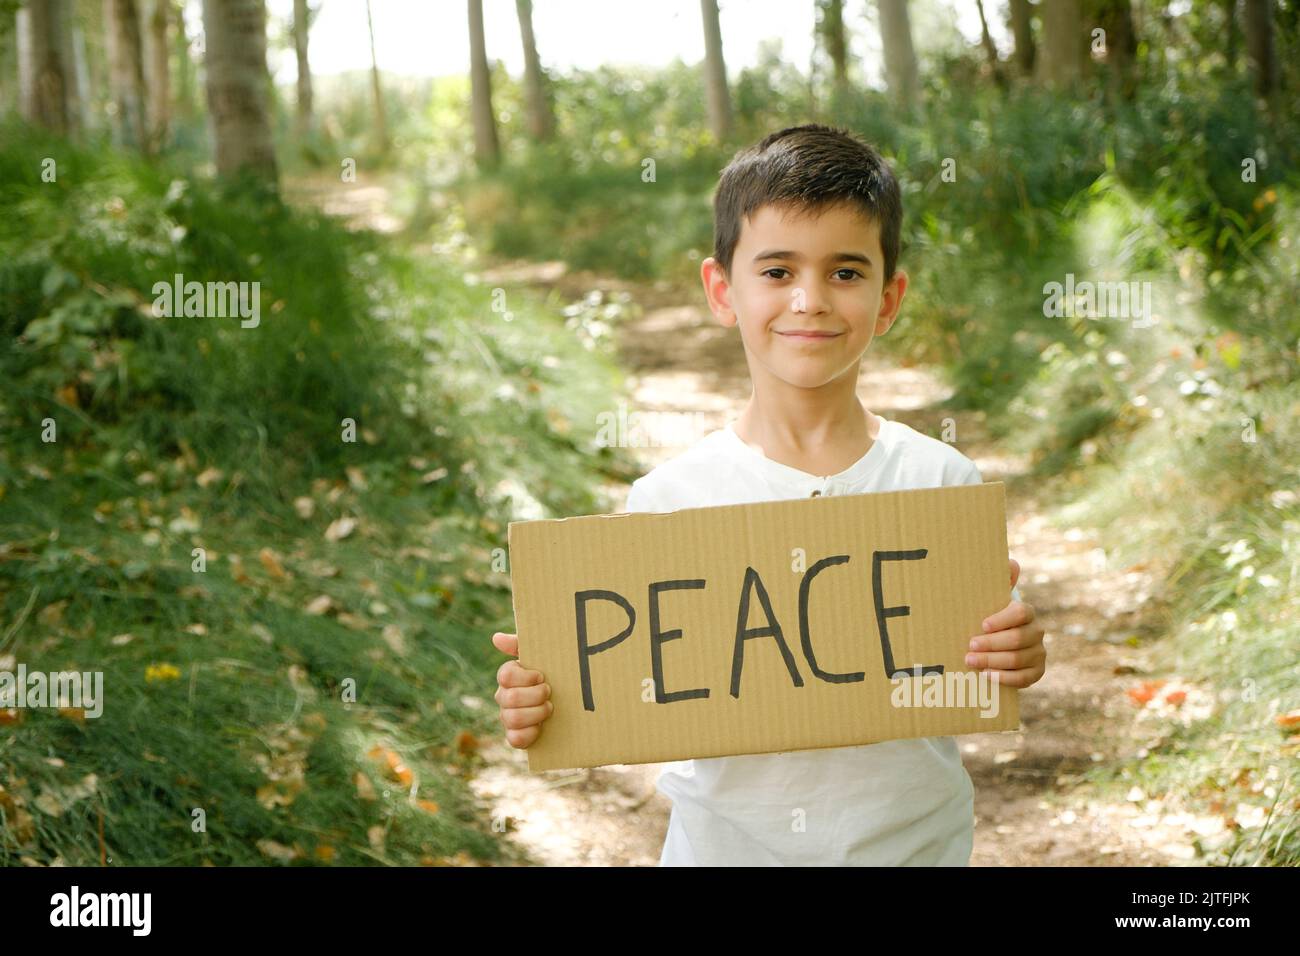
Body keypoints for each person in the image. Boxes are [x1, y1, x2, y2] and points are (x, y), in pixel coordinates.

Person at [492, 124, 1047, 865]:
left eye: (846, 273)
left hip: (913, 849)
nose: (810, 300)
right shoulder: (670, 500)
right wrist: (548, 700)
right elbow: (631, 694)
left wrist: (1015, 657)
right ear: (723, 291)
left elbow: (972, 669)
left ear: (888, 299)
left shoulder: (941, 484)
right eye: (778, 271)